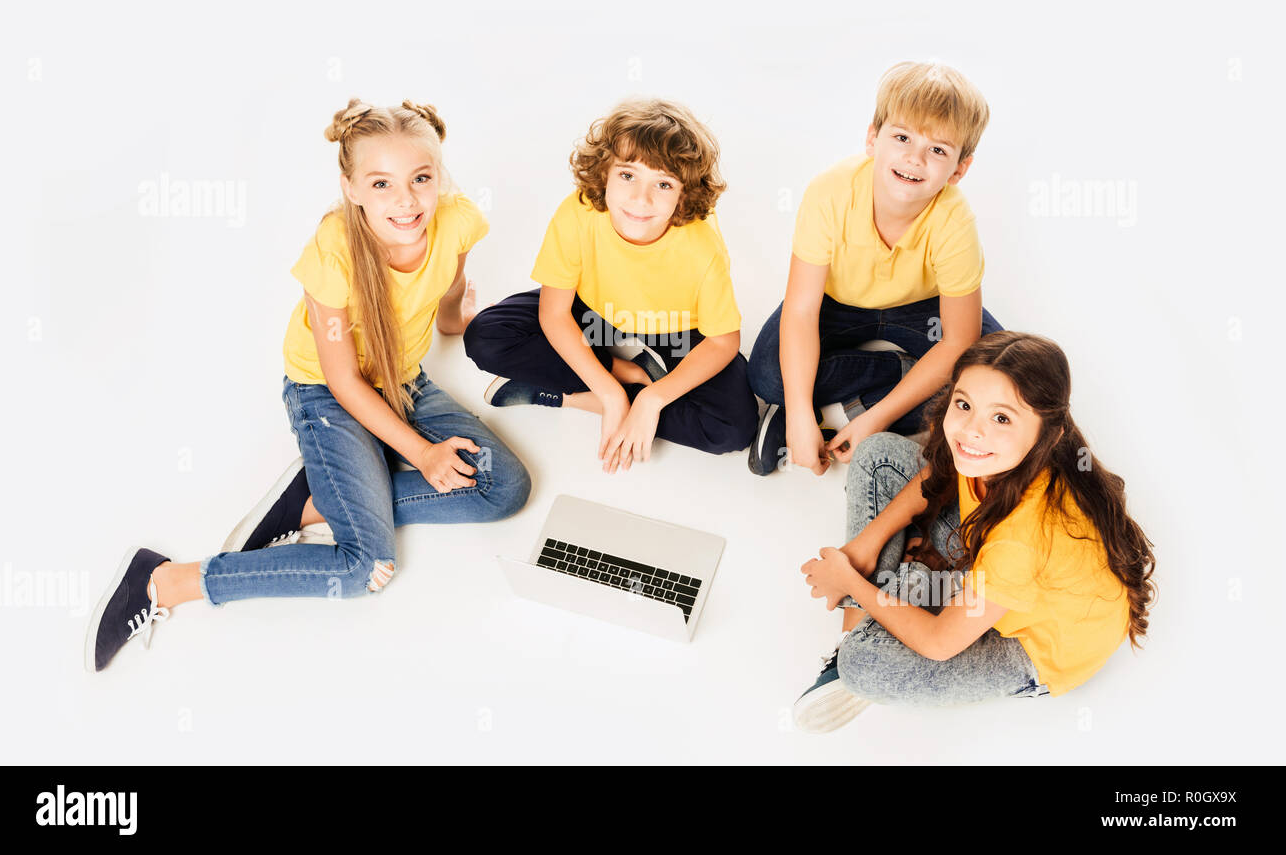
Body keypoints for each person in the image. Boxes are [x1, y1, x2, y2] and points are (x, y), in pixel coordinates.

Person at [85, 99, 531, 672]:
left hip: (402, 382)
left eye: (421, 179)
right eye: (381, 183)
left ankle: (314, 504)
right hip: (327, 396)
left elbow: (450, 283)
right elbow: (343, 380)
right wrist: (421, 452)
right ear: (351, 188)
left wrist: (454, 320)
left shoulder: (458, 219)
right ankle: (163, 581)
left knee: (504, 487)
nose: (407, 200)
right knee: (360, 568)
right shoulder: (334, 253)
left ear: (438, 177)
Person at [794, 331, 1157, 732]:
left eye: (1001, 418)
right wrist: (867, 542)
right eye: (964, 404)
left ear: (1048, 435)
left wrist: (851, 580)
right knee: (878, 454)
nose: (971, 431)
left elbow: (937, 642)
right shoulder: (984, 451)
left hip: (1035, 646)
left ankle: (889, 607)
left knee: (862, 664)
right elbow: (940, 472)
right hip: (992, 560)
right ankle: (911, 588)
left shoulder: (1024, 538)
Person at [462, 97, 757, 473]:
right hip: (591, 315)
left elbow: (722, 341)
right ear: (605, 174)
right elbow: (554, 313)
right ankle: (622, 374)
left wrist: (651, 400)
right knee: (486, 336)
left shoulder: (702, 246)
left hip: (675, 331)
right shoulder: (580, 211)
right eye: (628, 175)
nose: (640, 199)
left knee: (734, 428)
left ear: (685, 194)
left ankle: (564, 396)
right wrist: (611, 391)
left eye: (663, 184)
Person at [747, 61, 1002, 476]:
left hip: (922, 308)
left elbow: (957, 340)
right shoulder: (830, 191)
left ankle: (851, 413)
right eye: (902, 137)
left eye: (938, 150)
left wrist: (877, 417)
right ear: (873, 138)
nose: (914, 159)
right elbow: (801, 309)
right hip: (837, 303)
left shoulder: (955, 221)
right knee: (766, 378)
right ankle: (809, 409)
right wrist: (796, 413)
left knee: (994, 378)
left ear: (959, 169)